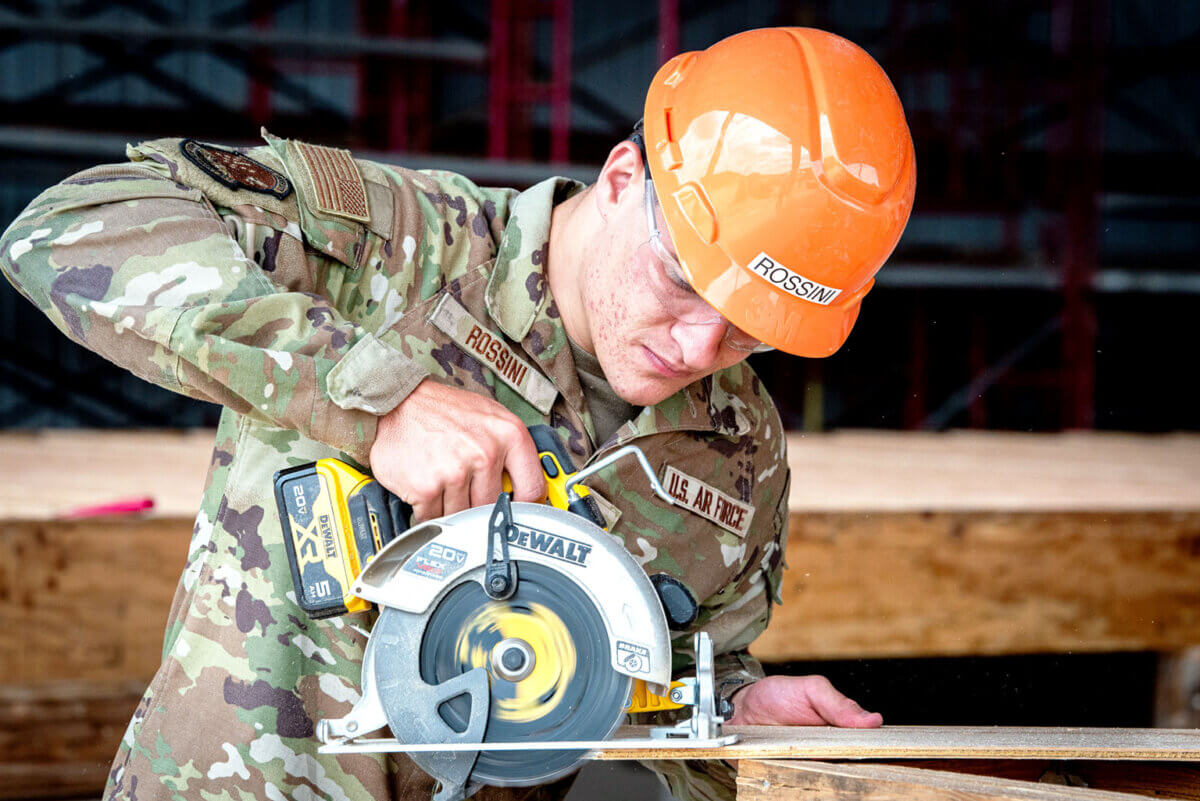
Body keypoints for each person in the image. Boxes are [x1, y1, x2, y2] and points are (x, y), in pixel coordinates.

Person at [0, 26, 914, 801]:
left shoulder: (740, 450)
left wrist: (733, 720)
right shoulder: (396, 247)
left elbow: (663, 678)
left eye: (750, 331)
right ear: (625, 174)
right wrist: (373, 396)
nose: (696, 347)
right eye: (681, 281)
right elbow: (67, 226)